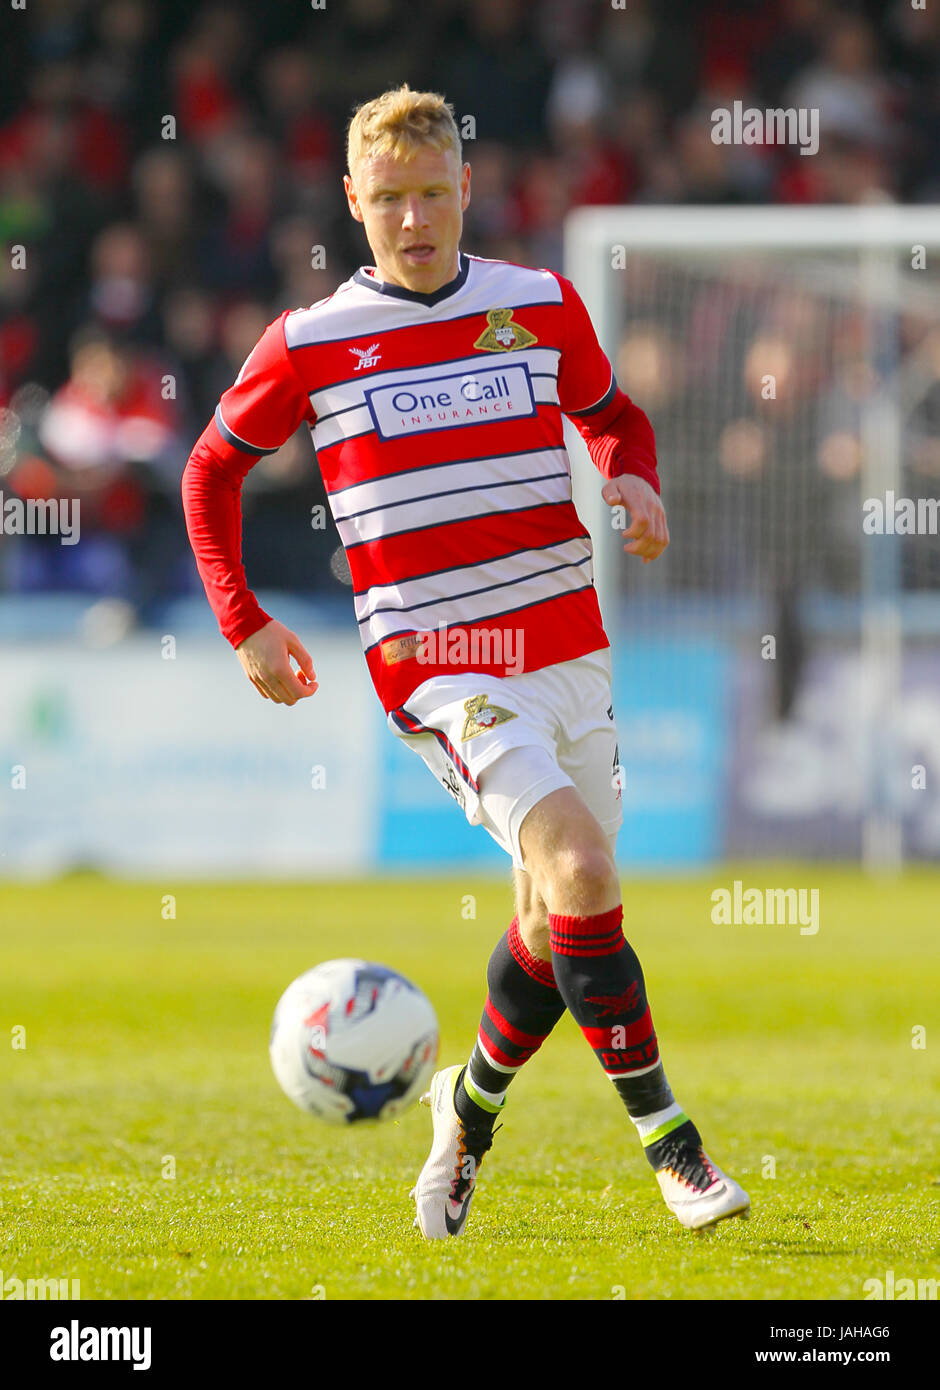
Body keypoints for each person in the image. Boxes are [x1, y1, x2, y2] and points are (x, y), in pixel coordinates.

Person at [181, 84, 749, 1238]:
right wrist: (243, 620)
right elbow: (208, 472)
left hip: (568, 646)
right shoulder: (309, 342)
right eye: (388, 198)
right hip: (438, 663)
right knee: (584, 871)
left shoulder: (535, 305)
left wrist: (632, 475)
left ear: (466, 189)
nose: (413, 218)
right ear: (353, 200)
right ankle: (674, 1149)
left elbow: (613, 415)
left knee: (553, 921)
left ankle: (467, 1109)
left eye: (432, 193)